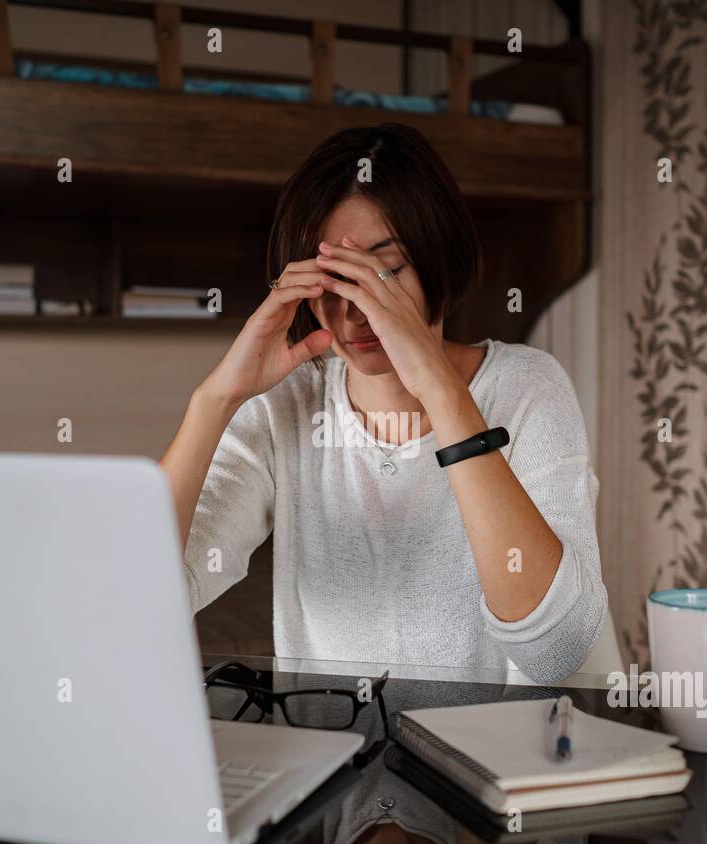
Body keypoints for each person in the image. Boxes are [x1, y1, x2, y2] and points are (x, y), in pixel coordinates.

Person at [162, 122, 607, 687]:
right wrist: (214, 400)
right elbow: (141, 603)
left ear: (438, 254)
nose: (353, 311)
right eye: (330, 279)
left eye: (382, 273)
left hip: (484, 765)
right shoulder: (287, 406)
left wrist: (440, 388)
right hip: (330, 757)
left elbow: (556, 651)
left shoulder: (526, 387)